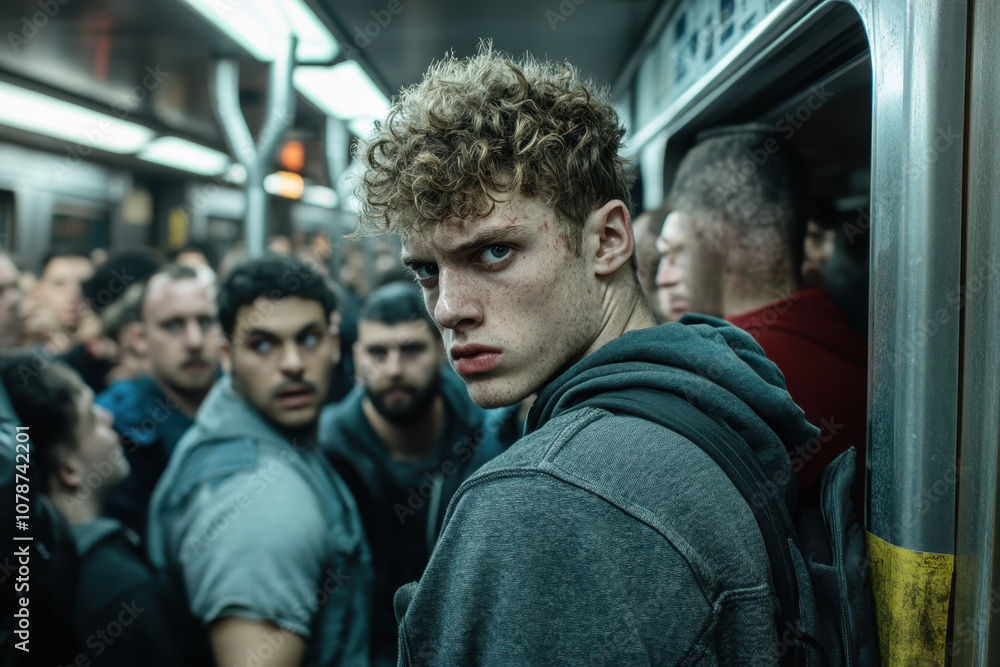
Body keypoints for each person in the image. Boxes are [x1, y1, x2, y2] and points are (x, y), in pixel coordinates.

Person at [357, 46, 820, 664]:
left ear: (607, 240)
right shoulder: (708, 397)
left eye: (493, 252)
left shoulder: (545, 501)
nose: (447, 309)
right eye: (427, 270)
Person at [148, 254, 371, 667]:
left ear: (334, 345)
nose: (291, 364)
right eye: (262, 344)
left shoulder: (235, 433)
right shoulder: (260, 507)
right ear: (227, 357)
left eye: (308, 338)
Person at [659, 125, 867, 501]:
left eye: (678, 250)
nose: (669, 276)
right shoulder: (849, 344)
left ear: (714, 239)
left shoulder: (720, 377)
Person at [319, 281, 502, 666]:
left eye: (411, 349)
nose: (394, 369)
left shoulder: (485, 436)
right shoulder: (327, 451)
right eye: (377, 352)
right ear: (355, 356)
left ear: (440, 350)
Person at [0, 352, 213, 666]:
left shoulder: (39, 582)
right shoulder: (117, 590)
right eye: (89, 415)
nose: (108, 417)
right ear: (68, 470)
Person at [97, 264, 222, 540]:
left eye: (205, 322)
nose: (194, 341)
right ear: (140, 338)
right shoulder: (111, 425)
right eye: (173, 325)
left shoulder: (251, 400)